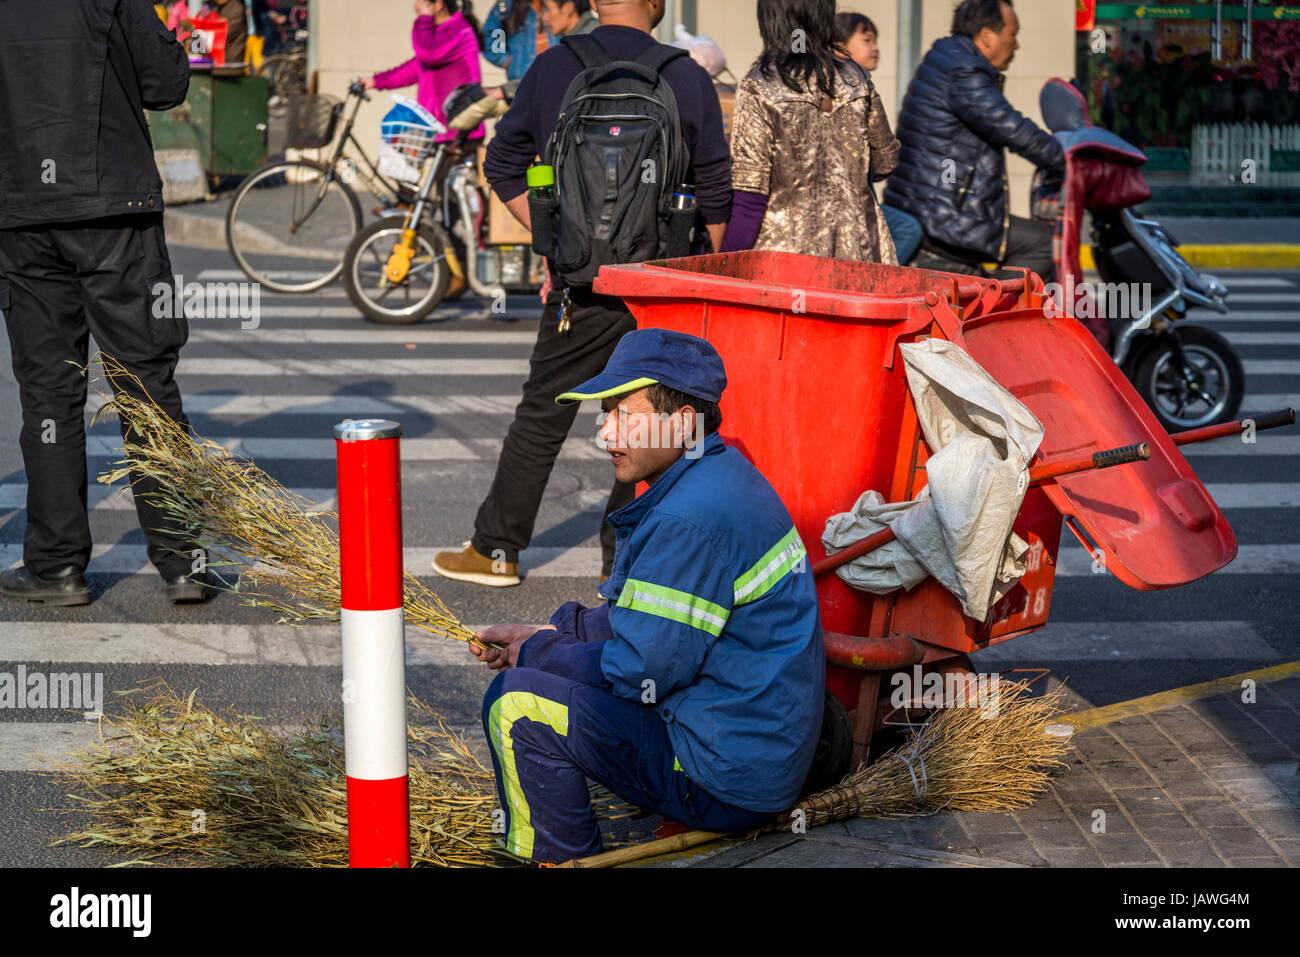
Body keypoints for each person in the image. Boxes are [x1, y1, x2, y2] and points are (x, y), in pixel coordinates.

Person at [470, 329, 825, 863]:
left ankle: (553, 858)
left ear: (682, 421)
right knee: (551, 654)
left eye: (624, 416)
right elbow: (649, 621)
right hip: (752, 747)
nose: (607, 434)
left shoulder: (688, 519)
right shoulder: (719, 475)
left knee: (516, 703)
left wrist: (539, 654)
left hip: (721, 777)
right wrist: (546, 636)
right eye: (605, 414)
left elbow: (639, 672)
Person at [433, 0, 731, 588]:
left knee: (543, 412)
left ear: (594, 3)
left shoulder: (553, 67)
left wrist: (555, 237)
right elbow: (717, 185)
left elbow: (504, 163)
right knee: (645, 417)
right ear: (659, 5)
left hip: (578, 284)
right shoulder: (686, 74)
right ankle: (624, 561)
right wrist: (695, 266)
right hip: (659, 282)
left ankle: (496, 550)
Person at [0, 0, 214, 606]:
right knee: (146, 382)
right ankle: (184, 561)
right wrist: (173, 38)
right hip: (113, 209)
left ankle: (56, 566)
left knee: (49, 395)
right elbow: (165, 83)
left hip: (24, 216)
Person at [882, 0, 1064, 280]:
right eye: (1012, 35)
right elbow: (1012, 128)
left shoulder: (948, 59)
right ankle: (991, 314)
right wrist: (1067, 160)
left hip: (933, 207)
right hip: (943, 217)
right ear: (988, 36)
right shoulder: (963, 71)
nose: (1016, 45)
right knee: (1043, 244)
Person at [720, 0, 899, 262]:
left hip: (785, 263)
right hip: (859, 257)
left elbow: (750, 197)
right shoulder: (856, 79)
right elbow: (887, 161)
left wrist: (725, 264)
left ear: (770, 19)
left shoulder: (759, 86)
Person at [835, 10, 923, 264]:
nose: (875, 48)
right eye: (867, 40)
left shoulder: (856, 84)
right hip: (849, 202)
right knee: (907, 229)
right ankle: (880, 281)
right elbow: (884, 156)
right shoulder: (854, 88)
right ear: (840, 48)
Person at [367, 0, 484, 144]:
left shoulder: (456, 30)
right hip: (440, 129)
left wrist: (424, 17)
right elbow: (413, 68)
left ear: (439, 5)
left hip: (460, 129)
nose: (416, 5)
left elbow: (428, 53)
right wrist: (376, 81)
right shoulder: (440, 35)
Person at [482, 0, 555, 82]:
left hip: (555, 75)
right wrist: (504, 59)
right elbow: (493, 33)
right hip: (523, 78)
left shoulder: (559, 3)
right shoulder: (505, 4)